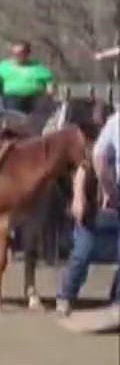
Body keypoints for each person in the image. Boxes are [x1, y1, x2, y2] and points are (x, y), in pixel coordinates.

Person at [57, 107, 120, 321]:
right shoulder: (100, 143)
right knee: (83, 253)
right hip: (96, 206)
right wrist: (79, 198)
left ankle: (117, 302)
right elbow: (87, 168)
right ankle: (66, 295)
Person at [0, 40, 54, 116]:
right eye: (15, 52)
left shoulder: (38, 67)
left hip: (34, 97)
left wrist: (49, 94)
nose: (17, 55)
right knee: (14, 117)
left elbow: (49, 83)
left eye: (20, 52)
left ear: (27, 53)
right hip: (12, 97)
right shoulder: (2, 67)